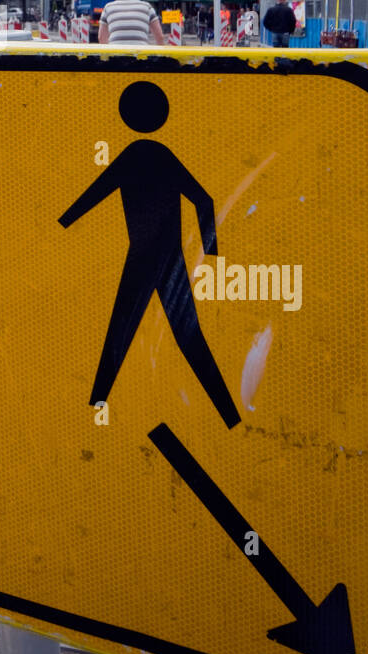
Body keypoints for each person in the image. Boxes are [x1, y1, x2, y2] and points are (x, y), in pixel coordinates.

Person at [59, 82, 240, 429]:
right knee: (188, 337)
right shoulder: (161, 155)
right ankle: (230, 417)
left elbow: (94, 193)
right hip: (168, 257)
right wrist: (210, 252)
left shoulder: (133, 155)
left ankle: (94, 411)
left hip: (143, 257)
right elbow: (204, 200)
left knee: (120, 334)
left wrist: (64, 222)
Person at [98, 0, 165, 46]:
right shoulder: (147, 7)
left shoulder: (108, 7)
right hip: (140, 54)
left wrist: (105, 56)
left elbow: (101, 37)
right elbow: (159, 36)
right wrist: (161, 56)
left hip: (116, 54)